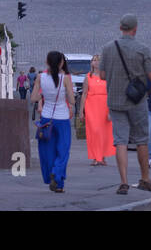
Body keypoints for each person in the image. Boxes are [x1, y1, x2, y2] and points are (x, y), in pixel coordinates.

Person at [100, 14, 151, 195]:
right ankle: (145, 179)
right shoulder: (143, 49)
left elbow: (101, 75)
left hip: (115, 100)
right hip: (137, 101)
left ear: (120, 28)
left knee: (121, 141)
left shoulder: (108, 48)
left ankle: (123, 182)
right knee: (141, 140)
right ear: (135, 29)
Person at [31, 51, 74, 192]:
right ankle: (57, 174)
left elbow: (33, 98)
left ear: (47, 62)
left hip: (46, 119)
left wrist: (43, 94)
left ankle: (55, 180)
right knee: (63, 151)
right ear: (61, 63)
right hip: (62, 118)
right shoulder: (66, 78)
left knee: (48, 152)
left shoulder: (40, 77)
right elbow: (72, 99)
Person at [83, 55, 116, 165]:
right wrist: (81, 111)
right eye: (94, 60)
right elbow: (84, 93)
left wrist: (111, 109)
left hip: (104, 105)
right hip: (91, 106)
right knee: (94, 131)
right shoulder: (88, 77)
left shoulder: (107, 76)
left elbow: (112, 93)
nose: (96, 62)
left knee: (104, 132)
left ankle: (102, 156)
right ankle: (95, 157)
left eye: (98, 60)